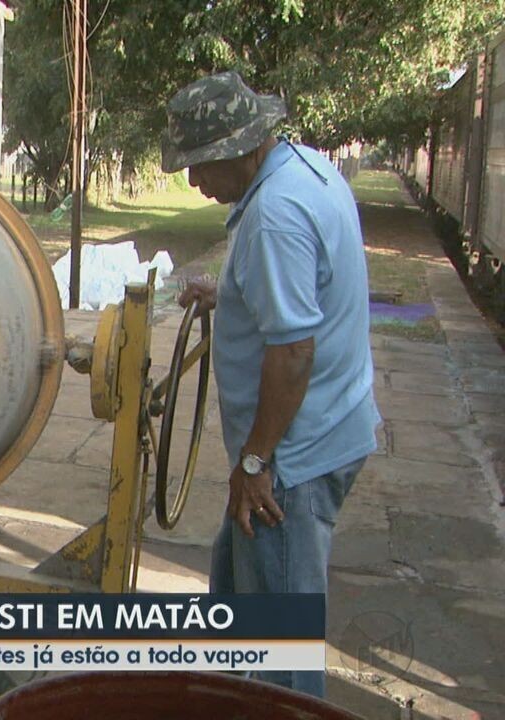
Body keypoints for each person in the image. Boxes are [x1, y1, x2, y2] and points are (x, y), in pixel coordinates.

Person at [163, 71, 381, 698]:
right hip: (330, 426)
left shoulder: (274, 217)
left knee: (282, 651)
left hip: (291, 461)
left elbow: (292, 352)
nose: (194, 182)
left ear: (240, 148)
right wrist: (231, 295)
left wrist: (255, 462)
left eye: (200, 165)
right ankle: (235, 700)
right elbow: (298, 295)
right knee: (236, 590)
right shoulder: (305, 169)